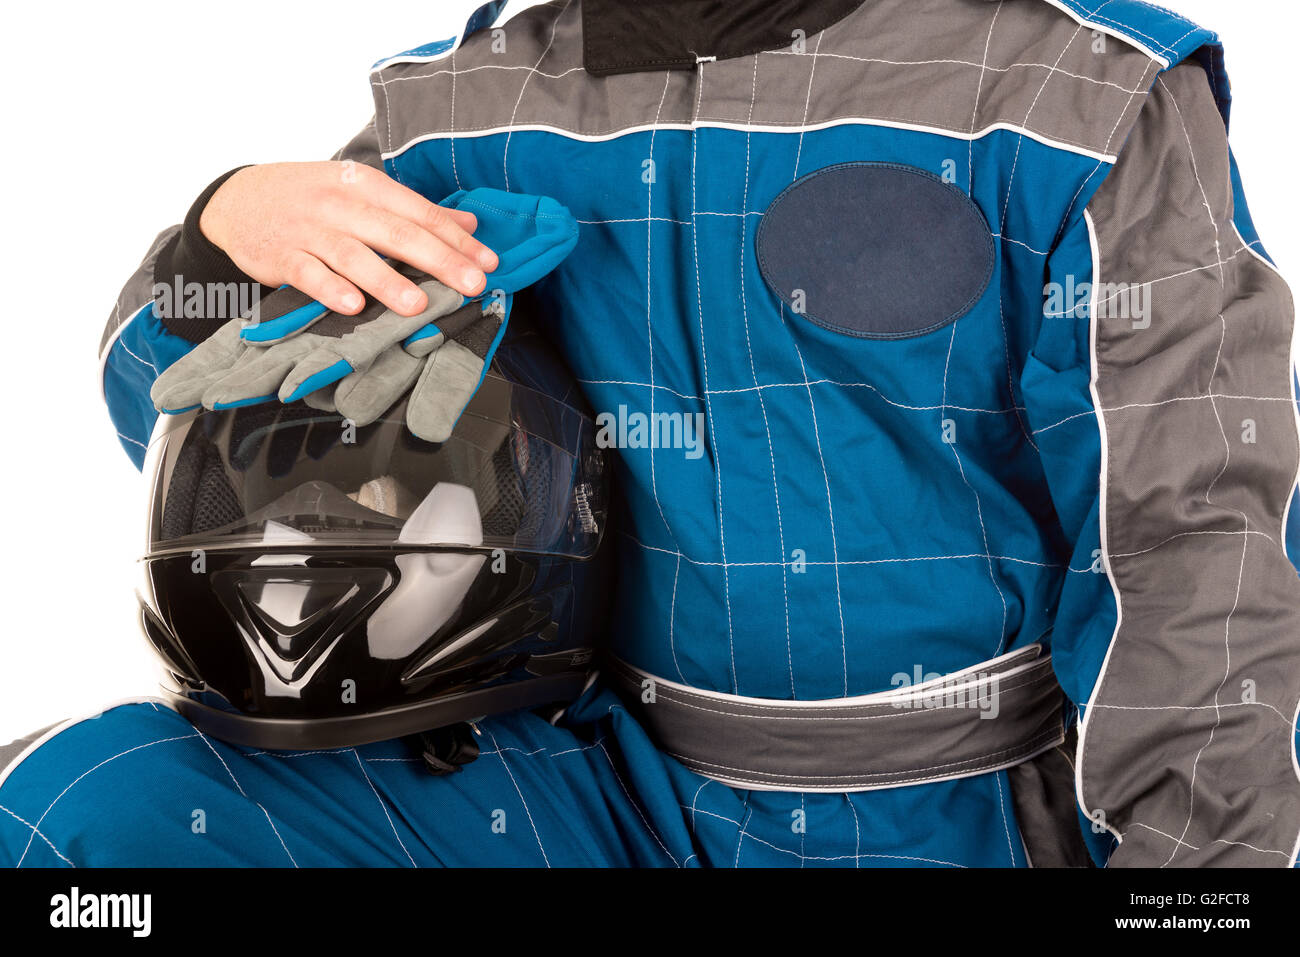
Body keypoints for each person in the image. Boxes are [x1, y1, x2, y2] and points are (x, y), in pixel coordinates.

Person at [3, 0, 1298, 868]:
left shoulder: (1071, 96)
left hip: (949, 819)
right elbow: (172, 399)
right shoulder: (474, 102)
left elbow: (1201, 566)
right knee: (68, 816)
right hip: (588, 800)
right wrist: (215, 237)